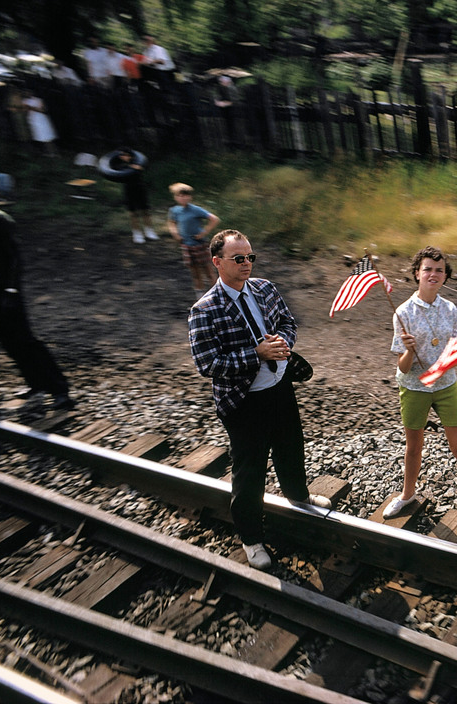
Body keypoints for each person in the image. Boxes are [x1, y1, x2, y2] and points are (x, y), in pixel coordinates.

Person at [189, 229, 331, 570]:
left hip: (279, 386)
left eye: (250, 257)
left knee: (290, 446)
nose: (246, 264)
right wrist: (256, 354)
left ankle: (298, 495)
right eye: (239, 259)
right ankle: (251, 539)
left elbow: (288, 321)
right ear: (218, 262)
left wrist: (283, 340)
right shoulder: (204, 309)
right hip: (244, 400)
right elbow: (207, 364)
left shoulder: (265, 288)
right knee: (249, 472)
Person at [386, 246, 457, 527]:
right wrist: (407, 351)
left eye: (439, 270)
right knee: (414, 445)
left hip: (445, 385)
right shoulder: (403, 313)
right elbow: (403, 367)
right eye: (427, 269)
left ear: (445, 277)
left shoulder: (450, 309)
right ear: (417, 273)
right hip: (413, 386)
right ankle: (407, 495)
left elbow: (456, 348)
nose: (433, 274)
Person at [0, 176, 73, 410]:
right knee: (7, 341)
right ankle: (35, 383)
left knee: (26, 340)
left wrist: (11, 289)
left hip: (6, 287)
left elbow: (15, 258)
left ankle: (60, 390)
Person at [167, 182, 220, 298]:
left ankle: (218, 295)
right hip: (186, 245)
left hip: (199, 244)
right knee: (195, 272)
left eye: (186, 195)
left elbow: (214, 219)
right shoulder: (174, 210)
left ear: (190, 197)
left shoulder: (195, 210)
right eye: (180, 195)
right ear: (175, 197)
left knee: (208, 270)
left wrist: (204, 232)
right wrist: (175, 233)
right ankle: (200, 296)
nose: (183, 198)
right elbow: (171, 222)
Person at [108, 148, 158, 244]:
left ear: (130, 156)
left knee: (145, 211)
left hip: (140, 189)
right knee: (133, 213)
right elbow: (113, 170)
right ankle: (137, 234)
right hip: (128, 191)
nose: (123, 157)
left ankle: (149, 232)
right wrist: (131, 166)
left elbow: (143, 167)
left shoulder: (138, 162)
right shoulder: (119, 166)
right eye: (121, 155)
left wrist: (136, 167)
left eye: (125, 155)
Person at [21, 90, 58, 157]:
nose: (27, 93)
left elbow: (44, 110)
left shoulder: (38, 100)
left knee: (47, 137)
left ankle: (53, 152)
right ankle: (47, 152)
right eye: (25, 92)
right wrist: (28, 109)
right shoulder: (24, 101)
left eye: (28, 92)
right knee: (40, 138)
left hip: (42, 120)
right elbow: (25, 111)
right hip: (33, 121)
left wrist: (32, 108)